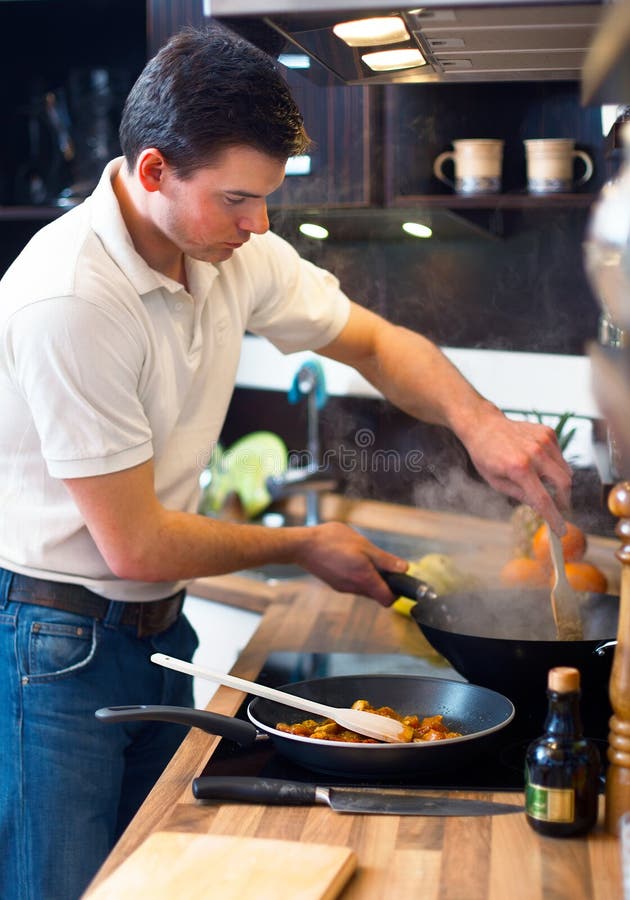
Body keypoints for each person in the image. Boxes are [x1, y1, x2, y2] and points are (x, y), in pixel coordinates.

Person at [0, 24, 571, 900]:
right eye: (237, 199)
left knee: (145, 878)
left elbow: (374, 342)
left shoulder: (231, 252)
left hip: (157, 627)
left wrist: (481, 423)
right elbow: (136, 546)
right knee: (67, 889)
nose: (259, 224)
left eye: (266, 198)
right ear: (153, 172)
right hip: (55, 645)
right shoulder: (72, 296)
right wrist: (303, 546)